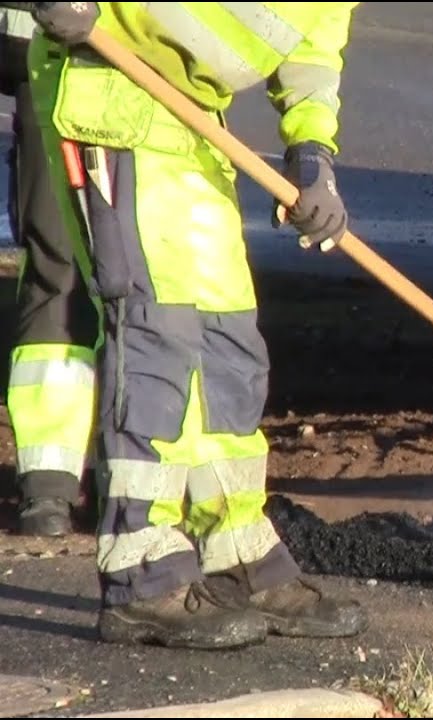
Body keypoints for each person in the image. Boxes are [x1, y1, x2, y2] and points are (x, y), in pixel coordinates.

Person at [19, 1, 369, 649]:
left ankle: (234, 550)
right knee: (159, 337)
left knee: (228, 343)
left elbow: (312, 51)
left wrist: (313, 155)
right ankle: (141, 569)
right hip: (110, 88)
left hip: (190, 122)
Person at [1, 5, 101, 538]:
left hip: (158, 78)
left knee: (151, 281)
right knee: (60, 271)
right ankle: (49, 482)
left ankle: (131, 482)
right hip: (52, 65)